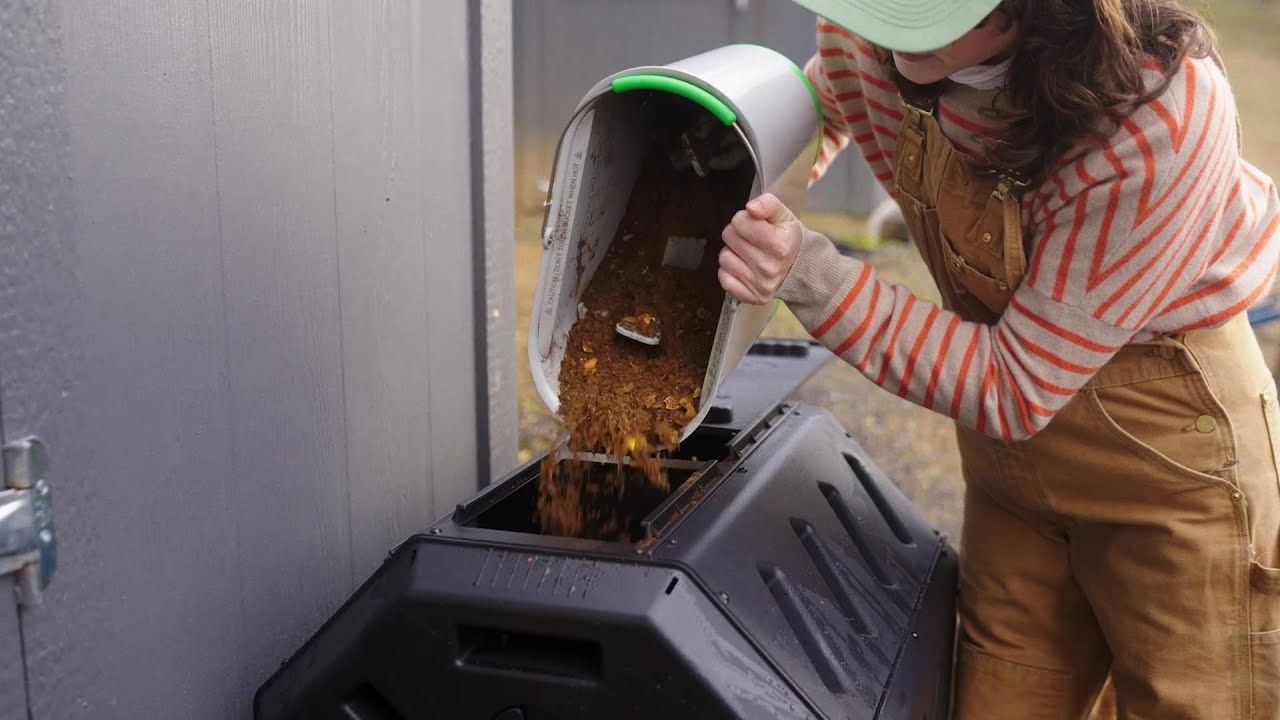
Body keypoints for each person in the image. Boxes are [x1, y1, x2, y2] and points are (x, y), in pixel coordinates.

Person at [717, 0, 1280, 717]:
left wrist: (810, 272)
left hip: (1166, 461)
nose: (896, 35)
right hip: (1010, 467)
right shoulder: (870, 33)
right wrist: (749, 192)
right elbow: (823, 103)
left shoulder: (1156, 116)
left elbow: (1016, 386)